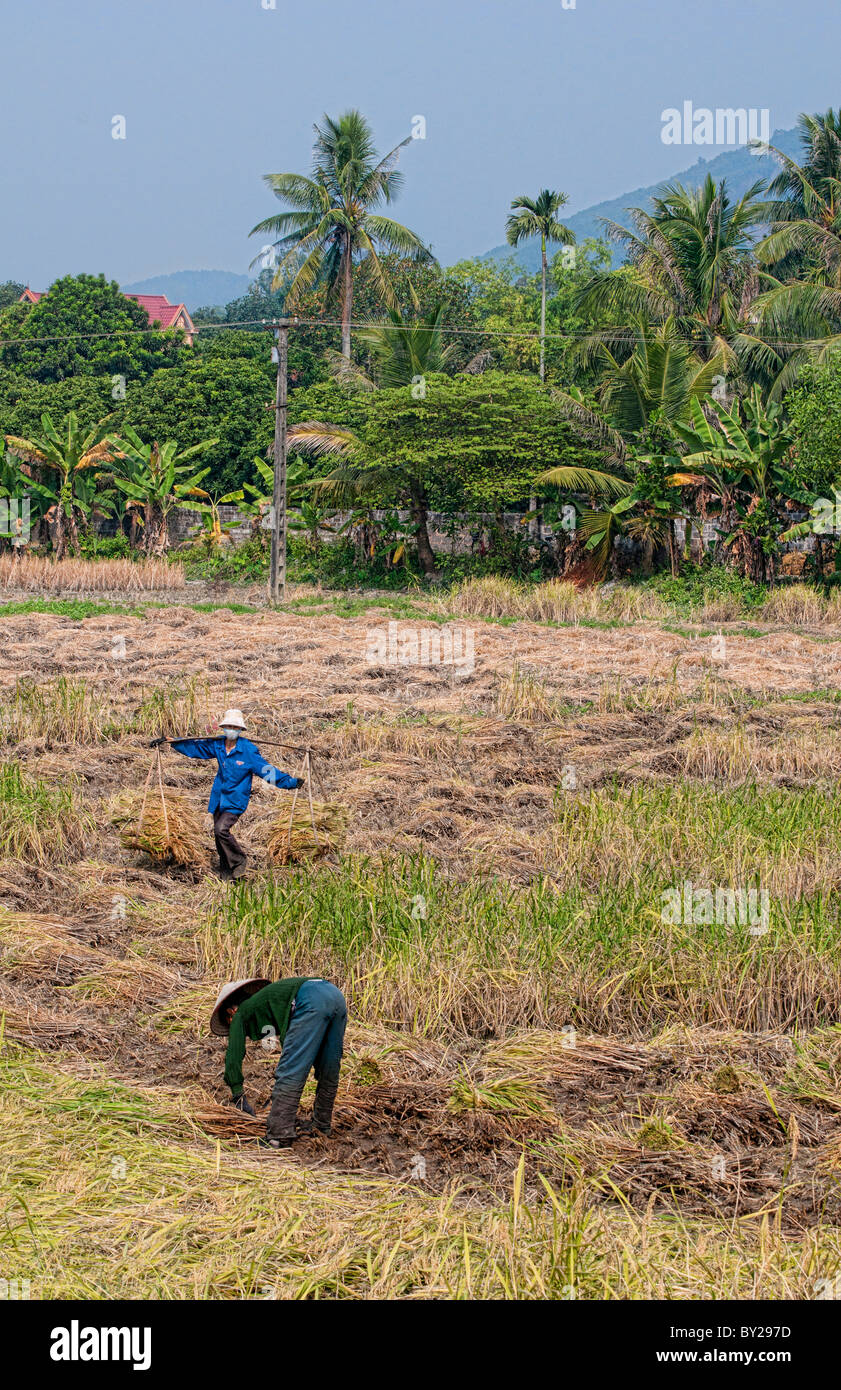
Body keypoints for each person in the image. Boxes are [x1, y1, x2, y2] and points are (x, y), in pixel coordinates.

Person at [152, 708, 303, 879]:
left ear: (240, 730)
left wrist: (290, 782)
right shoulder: (218, 744)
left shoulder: (247, 750)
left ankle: (239, 860)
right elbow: (198, 748)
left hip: (235, 800)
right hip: (219, 798)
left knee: (221, 829)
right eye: (228, 726)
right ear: (224, 727)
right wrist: (174, 742)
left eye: (234, 726)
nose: (231, 729)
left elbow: (267, 770)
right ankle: (227, 872)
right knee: (218, 836)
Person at [210, 976, 348, 1148]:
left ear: (230, 1011)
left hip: (309, 999)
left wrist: (238, 1094)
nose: (232, 1026)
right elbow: (295, 1043)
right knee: (329, 1068)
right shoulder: (268, 1000)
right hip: (335, 995)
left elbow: (234, 1054)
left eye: (229, 1023)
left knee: (290, 1071)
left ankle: (278, 1136)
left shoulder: (241, 1012)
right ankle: (321, 1125)